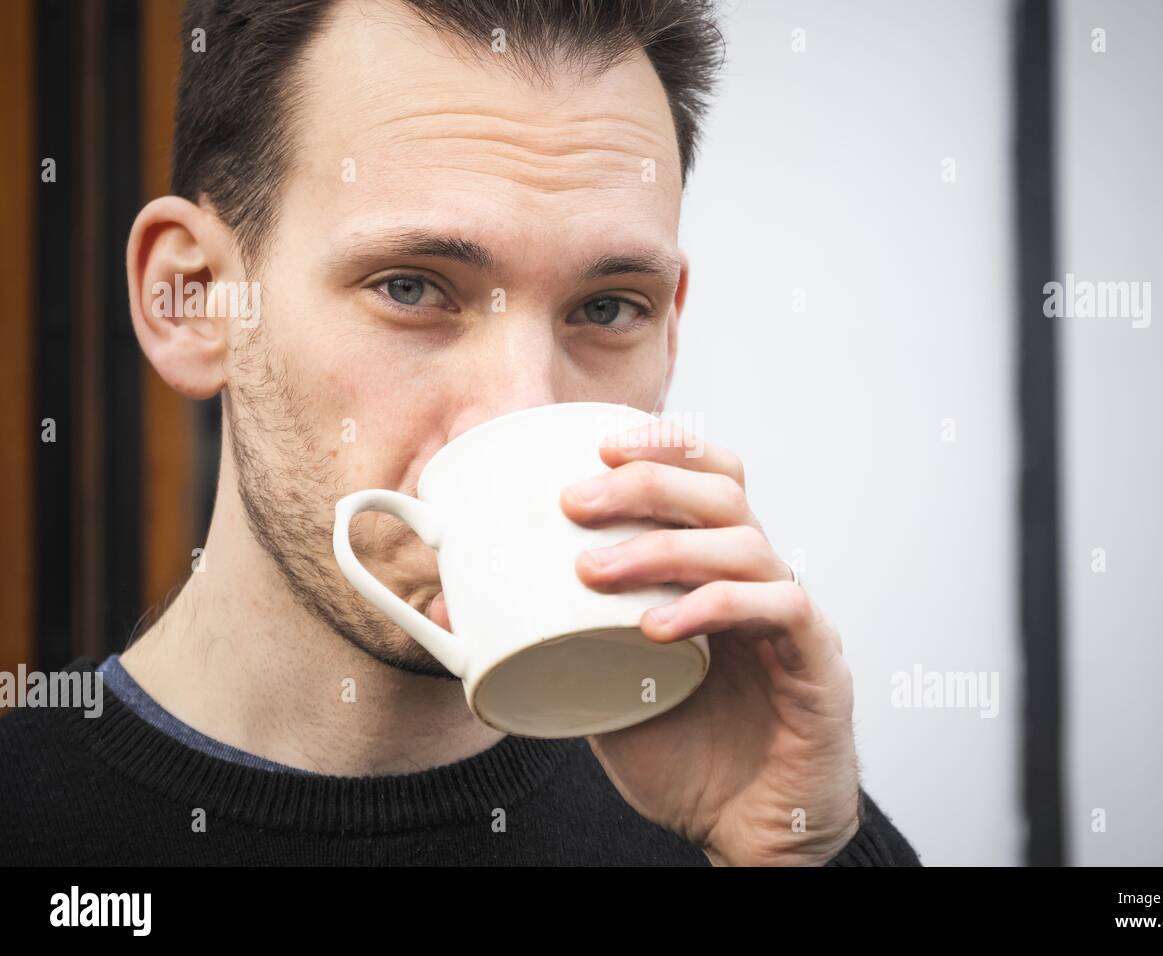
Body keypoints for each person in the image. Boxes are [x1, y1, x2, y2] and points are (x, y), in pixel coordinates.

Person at [0, 0, 919, 866]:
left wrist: (804, 852)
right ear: (194, 300)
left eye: (607, 307)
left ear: (670, 333)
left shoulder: (737, 813)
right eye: (411, 287)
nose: (523, 408)